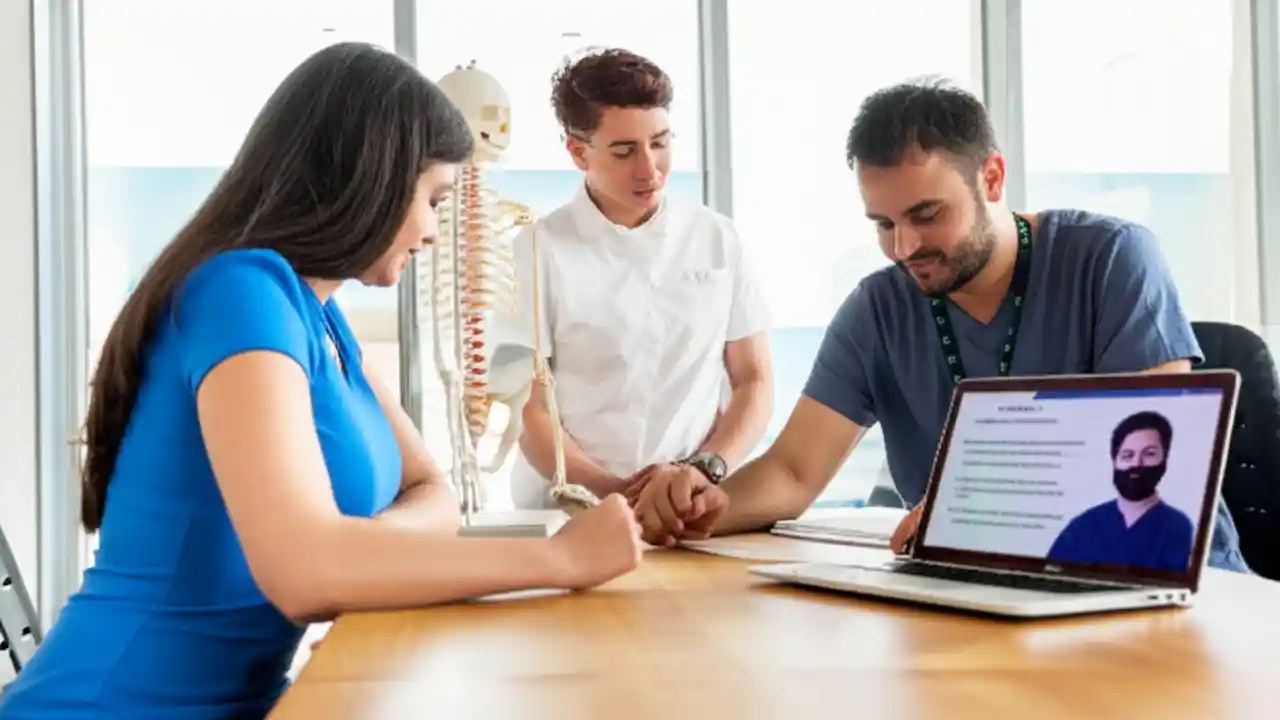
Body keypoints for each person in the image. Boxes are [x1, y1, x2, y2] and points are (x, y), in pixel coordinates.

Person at [0, 43, 642, 720]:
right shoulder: (240, 293)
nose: (430, 231)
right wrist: (560, 562)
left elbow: (433, 494)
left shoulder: (322, 318)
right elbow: (305, 576)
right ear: (368, 178)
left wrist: (352, 551)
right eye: (430, 197)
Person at [627, 77, 1251, 573]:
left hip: (1166, 587)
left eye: (926, 214)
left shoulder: (1111, 258)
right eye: (882, 223)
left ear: (992, 178)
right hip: (987, 593)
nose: (903, 246)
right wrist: (701, 506)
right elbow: (792, 472)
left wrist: (977, 517)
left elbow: (1160, 455)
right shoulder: (878, 308)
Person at [506, 48, 773, 510]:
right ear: (577, 151)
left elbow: (754, 380)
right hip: (568, 508)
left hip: (689, 505)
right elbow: (526, 411)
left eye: (660, 143)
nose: (649, 169)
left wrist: (703, 472)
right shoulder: (534, 250)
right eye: (624, 151)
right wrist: (617, 496)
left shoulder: (717, 238)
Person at [1047, 411, 1195, 572]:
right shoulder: (1084, 525)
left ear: (1165, 459)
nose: (1136, 464)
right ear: (1114, 461)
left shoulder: (1177, 527)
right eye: (1127, 455)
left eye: (1149, 454)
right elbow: (1049, 575)